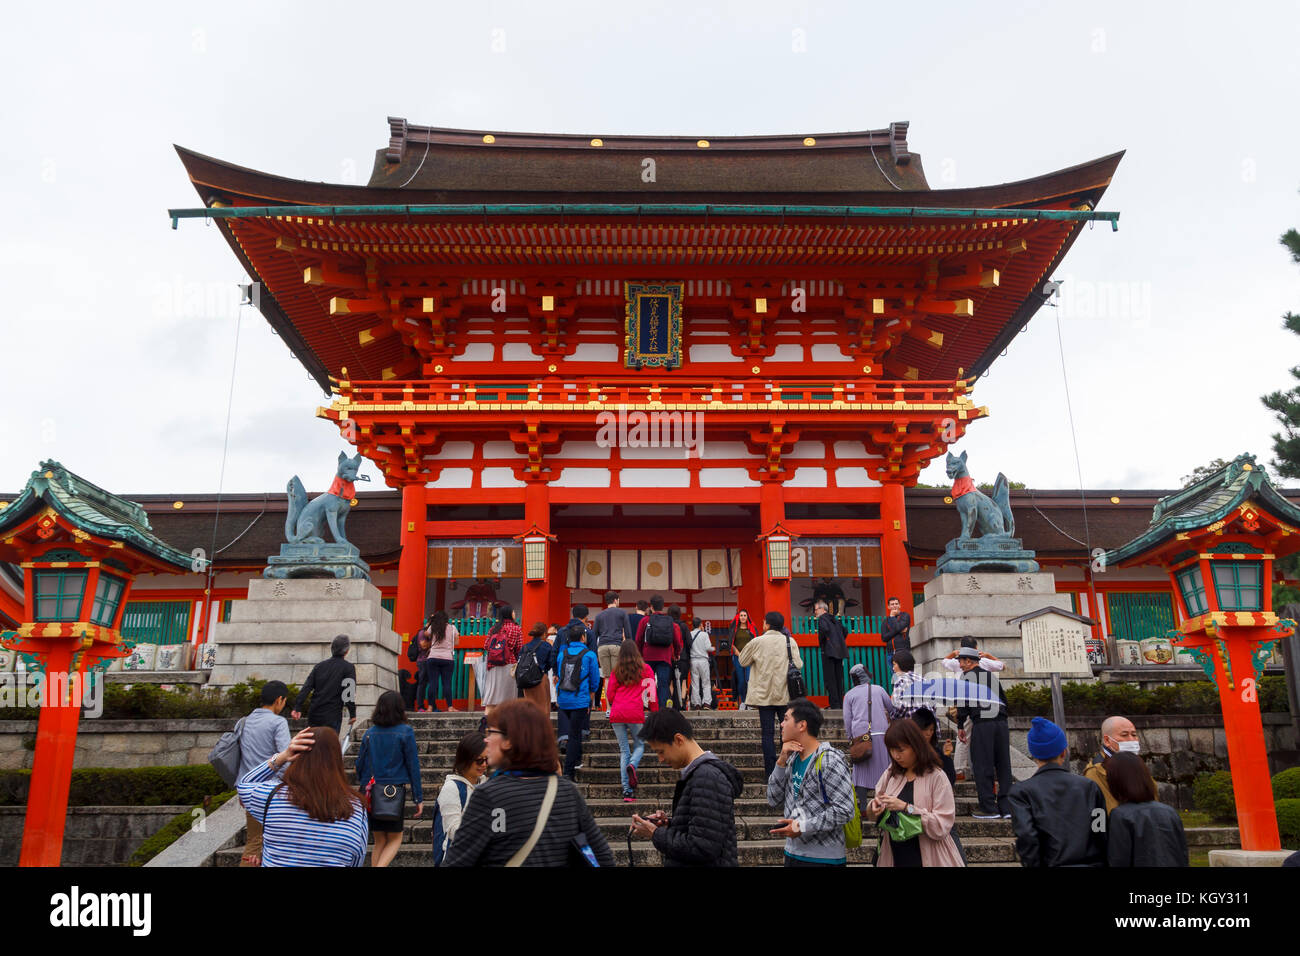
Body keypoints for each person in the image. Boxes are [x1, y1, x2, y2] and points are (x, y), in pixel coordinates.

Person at [443, 699, 613, 867]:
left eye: (491, 732)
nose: (486, 740)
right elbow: (603, 856)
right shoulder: (567, 792)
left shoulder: (489, 796)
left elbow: (457, 860)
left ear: (508, 741)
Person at [237, 725, 369, 867]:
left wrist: (282, 756)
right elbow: (356, 860)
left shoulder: (272, 797)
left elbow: (244, 785)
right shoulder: (356, 809)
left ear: (298, 757)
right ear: (337, 759)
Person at [630, 708, 744, 866]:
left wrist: (655, 834)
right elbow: (704, 831)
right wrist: (670, 825)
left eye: (661, 752)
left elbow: (702, 848)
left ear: (678, 740)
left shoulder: (706, 777)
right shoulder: (699, 774)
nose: (661, 759)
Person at [766, 697, 855, 866]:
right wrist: (781, 761)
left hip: (823, 857)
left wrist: (802, 827)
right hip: (792, 852)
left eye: (786, 719)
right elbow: (772, 799)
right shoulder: (792, 759)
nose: (781, 724)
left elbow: (845, 810)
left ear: (802, 725)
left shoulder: (829, 759)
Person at [1007, 717, 1107, 867]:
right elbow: (1101, 831)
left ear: (1034, 755)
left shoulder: (1021, 792)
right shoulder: (1089, 787)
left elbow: (1027, 836)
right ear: (1064, 752)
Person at [866, 717, 964, 867]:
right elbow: (875, 811)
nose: (896, 756)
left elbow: (942, 825)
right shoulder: (891, 774)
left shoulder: (936, 776)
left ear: (916, 746)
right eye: (891, 750)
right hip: (894, 855)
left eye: (901, 750)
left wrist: (907, 807)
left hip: (930, 856)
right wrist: (875, 806)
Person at [354, 690, 423, 867]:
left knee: (379, 840)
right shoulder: (405, 732)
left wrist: (364, 786)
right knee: (395, 837)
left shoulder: (369, 733)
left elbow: (359, 764)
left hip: (371, 791)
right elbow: (413, 766)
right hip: (393, 792)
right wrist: (418, 797)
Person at [739, 611, 803, 778]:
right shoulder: (790, 641)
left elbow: (742, 661)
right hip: (785, 694)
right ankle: (788, 768)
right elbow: (798, 664)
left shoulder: (757, 642)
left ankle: (770, 772)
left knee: (767, 733)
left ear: (766, 624)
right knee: (787, 733)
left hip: (763, 694)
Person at [235, 680, 291, 867]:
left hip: (250, 791)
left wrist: (240, 789)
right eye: (284, 701)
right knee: (275, 844)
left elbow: (239, 757)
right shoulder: (278, 722)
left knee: (254, 841)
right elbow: (286, 757)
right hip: (274, 792)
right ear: (279, 700)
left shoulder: (244, 721)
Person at [954, 646, 1011, 820]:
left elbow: (962, 704)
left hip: (982, 724)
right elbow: (1004, 700)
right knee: (1003, 765)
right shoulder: (990, 676)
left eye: (962, 662)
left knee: (982, 764)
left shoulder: (966, 677)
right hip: (1001, 723)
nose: (960, 665)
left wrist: (960, 726)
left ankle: (989, 808)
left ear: (969, 662)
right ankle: (1007, 807)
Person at [1105, 752, 1188, 867]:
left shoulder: (1120, 815)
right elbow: (1182, 854)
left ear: (1115, 780)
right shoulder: (1169, 812)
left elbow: (1118, 859)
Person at [911, 706, 966, 864]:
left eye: (931, 729)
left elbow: (950, 778)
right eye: (924, 729)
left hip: (938, 811)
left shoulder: (936, 752)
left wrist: (947, 756)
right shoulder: (908, 753)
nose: (928, 733)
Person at [606, 639, 658, 801]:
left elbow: (609, 694)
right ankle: (633, 765)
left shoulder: (617, 670)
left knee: (624, 750)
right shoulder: (645, 669)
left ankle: (627, 791)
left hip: (617, 713)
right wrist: (654, 711)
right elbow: (651, 692)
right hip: (635, 712)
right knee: (640, 744)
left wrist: (617, 704)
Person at [841, 664, 893, 809]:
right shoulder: (879, 689)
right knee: (883, 771)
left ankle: (863, 806)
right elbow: (891, 708)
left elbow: (847, 719)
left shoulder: (849, 695)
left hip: (860, 738)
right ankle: (883, 804)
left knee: (861, 773)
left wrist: (850, 737)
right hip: (881, 735)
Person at [432, 732, 488, 865]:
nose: (484, 765)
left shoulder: (485, 784)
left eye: (487, 759)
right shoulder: (452, 788)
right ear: (465, 759)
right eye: (479, 760)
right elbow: (454, 831)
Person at [292, 634, 358, 743]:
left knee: (312, 746)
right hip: (332, 714)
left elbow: (307, 687)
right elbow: (348, 693)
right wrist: (352, 714)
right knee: (329, 747)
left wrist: (297, 706)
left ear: (332, 649)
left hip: (314, 714)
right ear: (347, 651)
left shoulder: (319, 666)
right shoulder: (348, 667)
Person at [555, 622, 600, 780]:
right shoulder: (589, 655)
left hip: (563, 698)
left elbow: (560, 676)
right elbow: (595, 680)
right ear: (583, 637)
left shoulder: (562, 654)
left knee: (572, 733)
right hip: (580, 700)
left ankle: (576, 759)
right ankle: (568, 771)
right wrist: (591, 696)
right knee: (575, 735)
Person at [1085, 715, 1142, 812]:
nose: (1131, 739)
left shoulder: (1136, 763)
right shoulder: (1097, 771)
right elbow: (1109, 810)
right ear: (1107, 740)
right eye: (1124, 735)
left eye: (1134, 734)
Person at [636, 595, 684, 710]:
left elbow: (638, 639)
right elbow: (676, 640)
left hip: (648, 656)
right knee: (663, 684)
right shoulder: (670, 621)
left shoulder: (645, 620)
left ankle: (648, 706)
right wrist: (677, 653)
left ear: (651, 607)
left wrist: (639, 654)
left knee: (648, 682)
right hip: (664, 657)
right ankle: (662, 709)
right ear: (663, 607)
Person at [480, 604, 522, 725]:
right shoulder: (516, 629)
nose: (514, 614)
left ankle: (485, 724)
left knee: (491, 698)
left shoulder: (493, 629)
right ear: (510, 614)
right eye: (513, 612)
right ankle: (506, 726)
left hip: (493, 666)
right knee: (508, 699)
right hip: (509, 665)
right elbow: (519, 648)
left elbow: (486, 646)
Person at [593, 591, 634, 699]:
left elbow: (594, 634)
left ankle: (608, 708)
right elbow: (628, 633)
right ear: (615, 600)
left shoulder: (599, 615)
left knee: (606, 677)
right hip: (616, 645)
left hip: (602, 647)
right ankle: (618, 702)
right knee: (618, 676)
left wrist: (594, 651)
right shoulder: (622, 613)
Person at [516, 622, 556, 718]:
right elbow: (551, 662)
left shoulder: (525, 647)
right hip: (540, 678)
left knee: (529, 707)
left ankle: (529, 730)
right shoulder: (546, 646)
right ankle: (541, 730)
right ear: (544, 634)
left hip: (526, 679)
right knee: (543, 707)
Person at [814, 600, 848, 709]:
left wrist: (823, 642)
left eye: (816, 609)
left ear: (822, 609)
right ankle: (840, 704)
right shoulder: (834, 619)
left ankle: (834, 705)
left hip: (828, 652)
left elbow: (824, 629)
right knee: (838, 679)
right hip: (839, 652)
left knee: (830, 680)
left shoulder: (822, 619)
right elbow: (845, 631)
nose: (815, 612)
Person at [422, 610, 459, 712]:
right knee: (446, 683)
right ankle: (450, 707)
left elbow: (425, 634)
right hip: (447, 658)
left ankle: (430, 707)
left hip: (433, 657)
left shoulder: (433, 627)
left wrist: (430, 621)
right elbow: (457, 642)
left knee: (433, 683)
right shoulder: (452, 628)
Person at [728, 609, 756, 707]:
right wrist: (738, 653)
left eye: (745, 615)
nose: (743, 617)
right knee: (741, 680)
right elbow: (731, 643)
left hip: (749, 657)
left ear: (747, 617)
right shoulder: (734, 629)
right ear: (738, 617)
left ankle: (750, 701)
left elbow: (755, 642)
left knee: (749, 679)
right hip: (737, 657)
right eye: (741, 615)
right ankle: (743, 701)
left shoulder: (751, 629)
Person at [688, 617, 714, 709]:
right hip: (703, 660)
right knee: (706, 682)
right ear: (700, 625)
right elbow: (708, 648)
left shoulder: (690, 634)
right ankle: (706, 703)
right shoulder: (704, 635)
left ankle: (696, 704)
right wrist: (714, 648)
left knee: (695, 683)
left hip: (693, 661)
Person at [880, 596, 911, 673]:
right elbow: (884, 638)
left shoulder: (905, 616)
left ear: (900, 605)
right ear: (888, 607)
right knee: (895, 677)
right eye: (892, 604)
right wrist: (898, 631)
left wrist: (892, 617)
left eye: (896, 604)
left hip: (903, 651)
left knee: (906, 675)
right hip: (890, 653)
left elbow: (897, 628)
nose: (894, 606)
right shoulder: (885, 621)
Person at [888, 648, 921, 720]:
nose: (893, 669)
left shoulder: (901, 680)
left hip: (911, 724)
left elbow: (900, 707)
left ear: (901, 664)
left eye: (894, 665)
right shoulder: (922, 679)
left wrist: (891, 717)